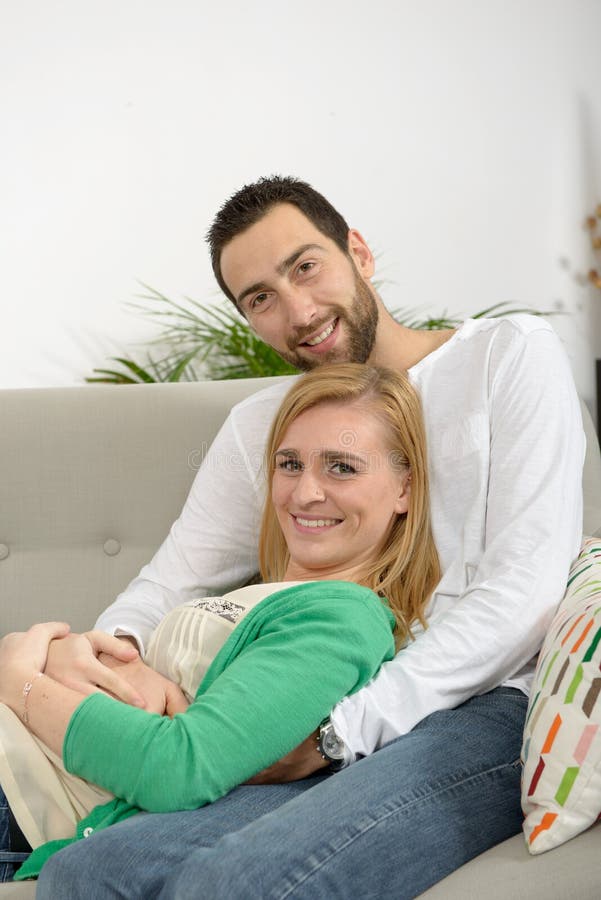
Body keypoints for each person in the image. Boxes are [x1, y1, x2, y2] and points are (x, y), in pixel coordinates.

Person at [29, 175, 584, 898]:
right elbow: (172, 579)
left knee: (235, 882)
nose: (296, 310)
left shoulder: (505, 356)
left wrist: (337, 733)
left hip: (476, 707)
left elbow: (525, 587)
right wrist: (109, 653)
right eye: (259, 297)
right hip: (324, 695)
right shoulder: (263, 424)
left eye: (305, 266)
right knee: (90, 870)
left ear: (357, 251)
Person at [0, 363, 440, 883]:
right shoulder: (260, 591)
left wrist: (19, 683)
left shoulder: (346, 618)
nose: (304, 494)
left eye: (342, 467)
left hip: (18, 794)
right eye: (290, 463)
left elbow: (180, 767)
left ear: (405, 489)